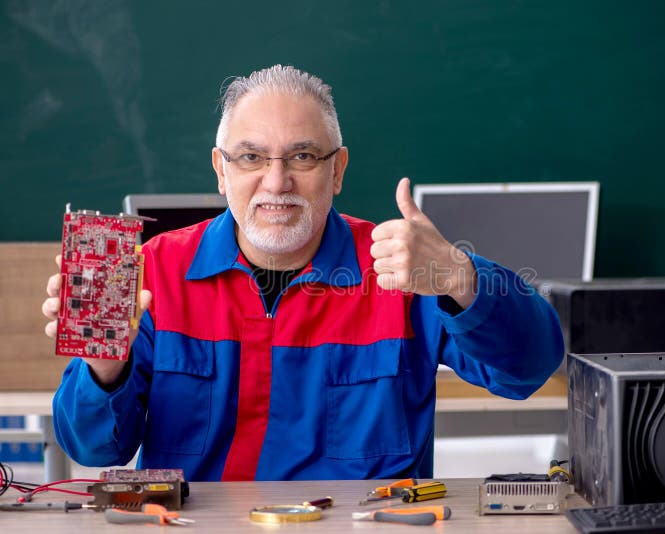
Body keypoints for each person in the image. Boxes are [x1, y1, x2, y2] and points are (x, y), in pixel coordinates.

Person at [42, 65, 564, 482]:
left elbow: (529, 370)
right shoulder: (154, 271)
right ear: (221, 171)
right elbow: (92, 450)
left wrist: (460, 276)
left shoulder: (401, 271)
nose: (277, 181)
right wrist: (101, 366)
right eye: (251, 157)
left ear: (336, 171)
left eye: (303, 156)